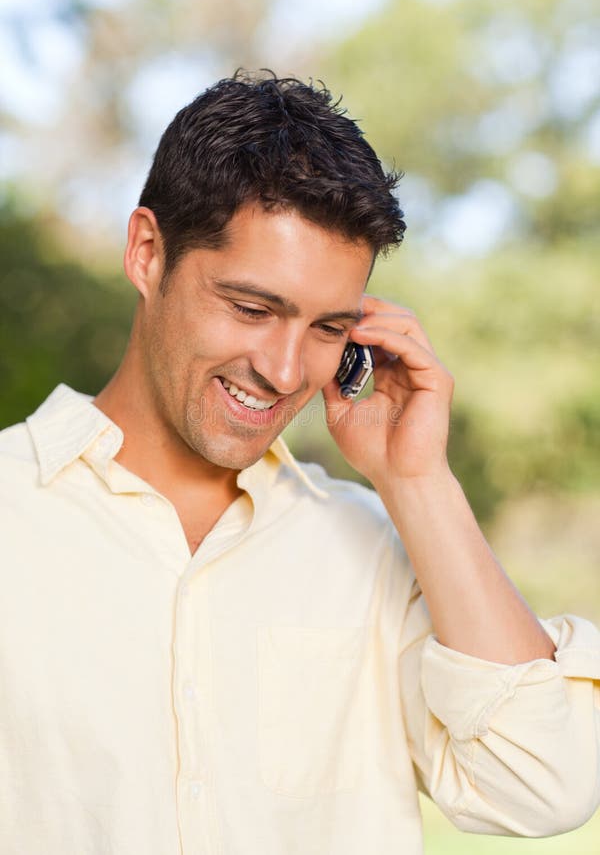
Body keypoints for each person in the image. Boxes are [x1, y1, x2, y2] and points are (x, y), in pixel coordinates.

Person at [1, 72, 599, 855]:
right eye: (252, 309)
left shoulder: (376, 546)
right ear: (148, 253)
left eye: (328, 327)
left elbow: (545, 784)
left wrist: (417, 480)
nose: (285, 372)